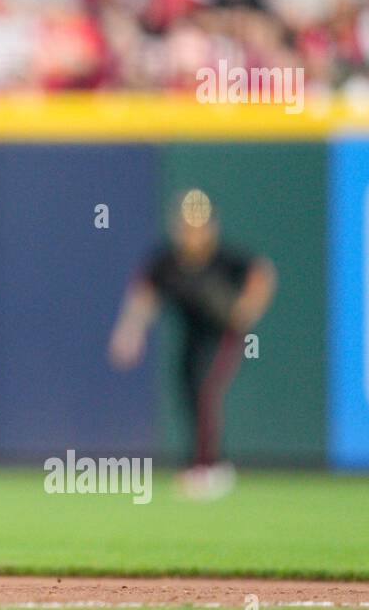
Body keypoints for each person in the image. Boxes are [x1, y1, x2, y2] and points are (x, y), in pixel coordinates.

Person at [109, 189, 277, 499]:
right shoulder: (166, 262)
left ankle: (206, 467)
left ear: (210, 228)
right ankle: (211, 464)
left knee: (204, 389)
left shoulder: (223, 258)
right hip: (193, 336)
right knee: (187, 390)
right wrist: (130, 331)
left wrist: (246, 309)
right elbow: (143, 295)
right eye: (186, 226)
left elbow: (261, 272)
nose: (192, 233)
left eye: (198, 226)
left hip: (224, 333)